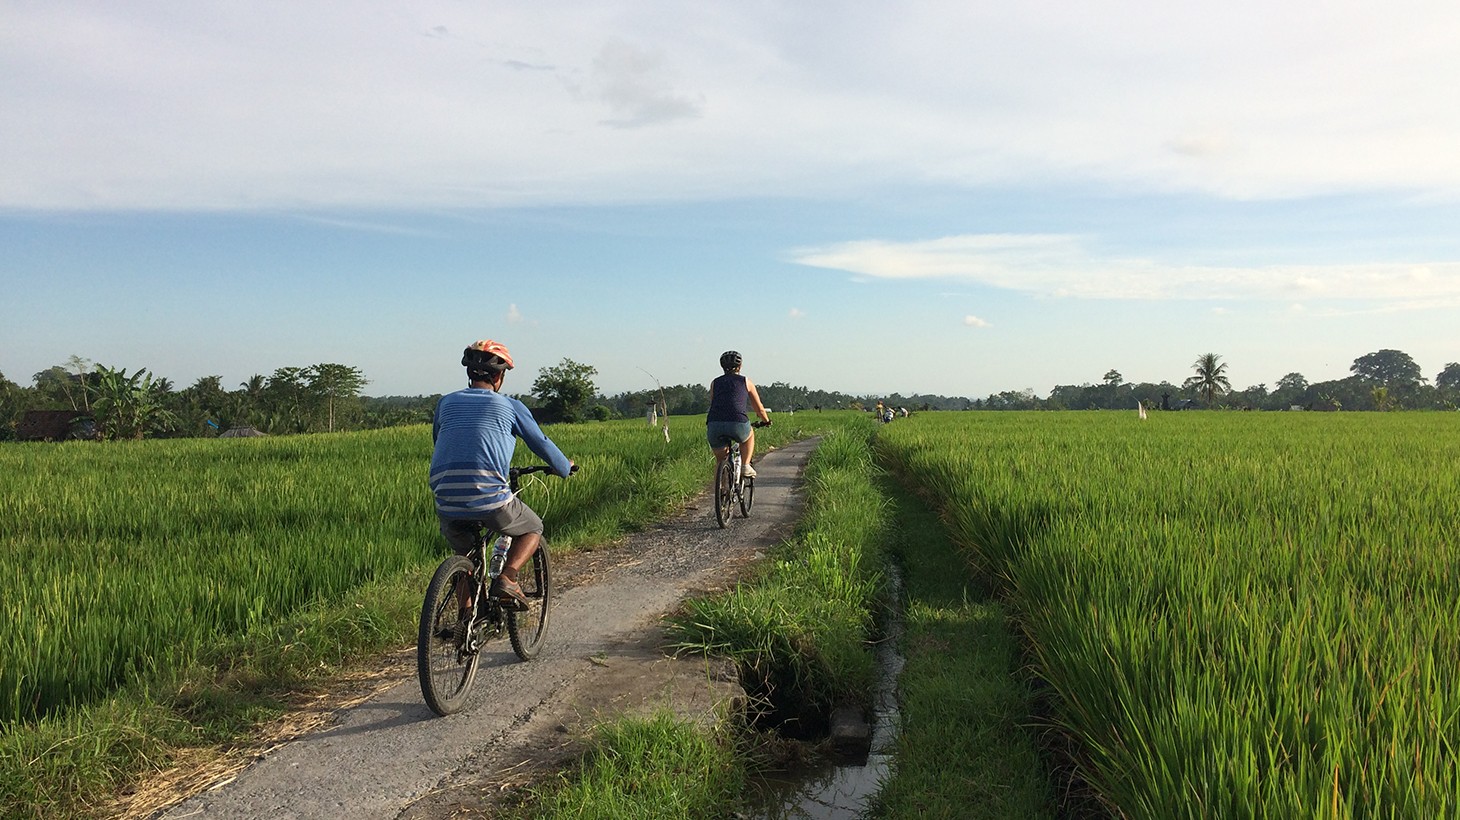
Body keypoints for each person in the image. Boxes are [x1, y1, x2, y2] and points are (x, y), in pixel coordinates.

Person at [429, 339, 574, 610]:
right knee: (533, 528)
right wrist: (564, 466)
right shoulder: (510, 406)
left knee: (464, 553)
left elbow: (440, 440)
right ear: (499, 376)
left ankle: (466, 620)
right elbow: (540, 443)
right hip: (489, 497)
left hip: (445, 497)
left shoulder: (445, 403)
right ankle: (507, 578)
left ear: (469, 374)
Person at [706, 350, 771, 478]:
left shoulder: (715, 383)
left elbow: (714, 403)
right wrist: (766, 421)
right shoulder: (746, 381)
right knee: (750, 434)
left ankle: (722, 490)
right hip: (737, 422)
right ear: (740, 366)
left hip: (714, 424)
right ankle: (746, 466)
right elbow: (759, 409)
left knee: (720, 460)